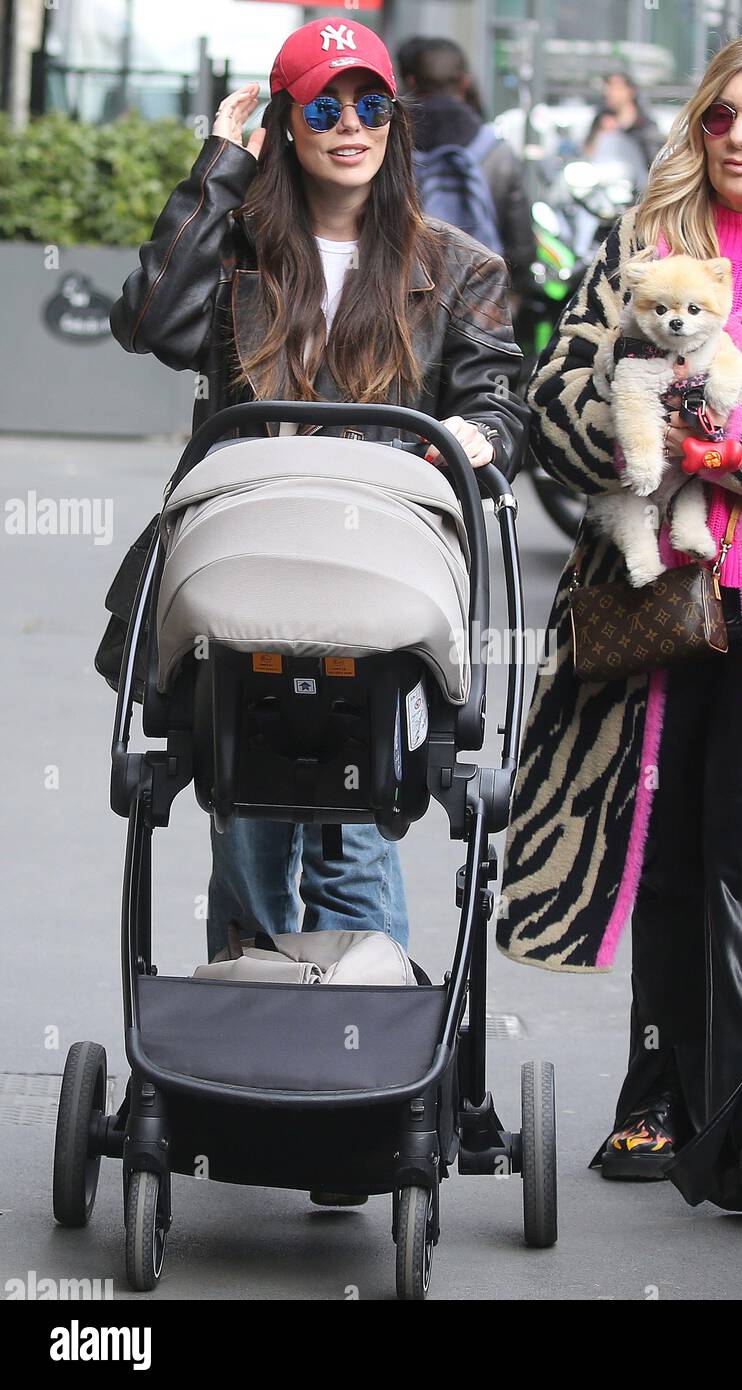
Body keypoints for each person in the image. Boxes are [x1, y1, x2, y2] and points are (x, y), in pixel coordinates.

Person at [497, 31, 742, 1214]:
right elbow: (557, 396)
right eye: (723, 116)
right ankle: (657, 1098)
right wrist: (638, 440)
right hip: (642, 600)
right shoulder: (638, 240)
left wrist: (727, 443)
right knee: (658, 852)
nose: (741, 139)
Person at [106, 16, 528, 965]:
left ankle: (367, 1062)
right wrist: (220, 160)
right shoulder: (238, 254)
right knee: (249, 829)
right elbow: (150, 324)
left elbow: (501, 404)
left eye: (371, 103)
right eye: (323, 106)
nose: (350, 124)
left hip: (382, 581)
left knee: (360, 832)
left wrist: (472, 435)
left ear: (395, 122)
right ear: (288, 124)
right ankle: (244, 1046)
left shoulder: (455, 266)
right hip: (249, 577)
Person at [399, 36, 535, 299]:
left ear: (412, 82)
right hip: (479, 290)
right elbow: (521, 243)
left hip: (411, 289)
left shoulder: (393, 143)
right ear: (465, 82)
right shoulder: (495, 148)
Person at [584, 71, 665, 173]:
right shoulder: (601, 119)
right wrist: (602, 132)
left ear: (630, 91)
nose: (609, 92)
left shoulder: (644, 123)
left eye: (616, 87)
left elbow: (652, 155)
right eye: (607, 87)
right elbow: (588, 153)